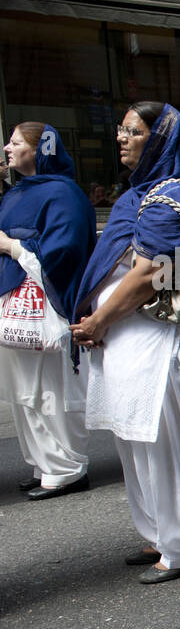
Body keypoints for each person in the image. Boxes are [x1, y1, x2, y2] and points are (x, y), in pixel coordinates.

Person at [69, 101, 180, 583]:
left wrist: (98, 320)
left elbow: (148, 274)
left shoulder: (171, 193)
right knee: (135, 440)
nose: (121, 138)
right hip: (131, 340)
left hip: (159, 342)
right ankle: (161, 532)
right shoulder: (140, 191)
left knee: (168, 445)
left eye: (133, 131)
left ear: (159, 140)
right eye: (120, 130)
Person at [0, 122, 97, 499]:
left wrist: (13, 247)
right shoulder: (18, 193)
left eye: (16, 142)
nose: (8, 148)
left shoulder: (63, 194)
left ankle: (67, 466)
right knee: (25, 392)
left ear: (40, 149)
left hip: (47, 303)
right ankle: (44, 463)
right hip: (15, 301)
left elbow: (65, 251)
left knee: (50, 389)